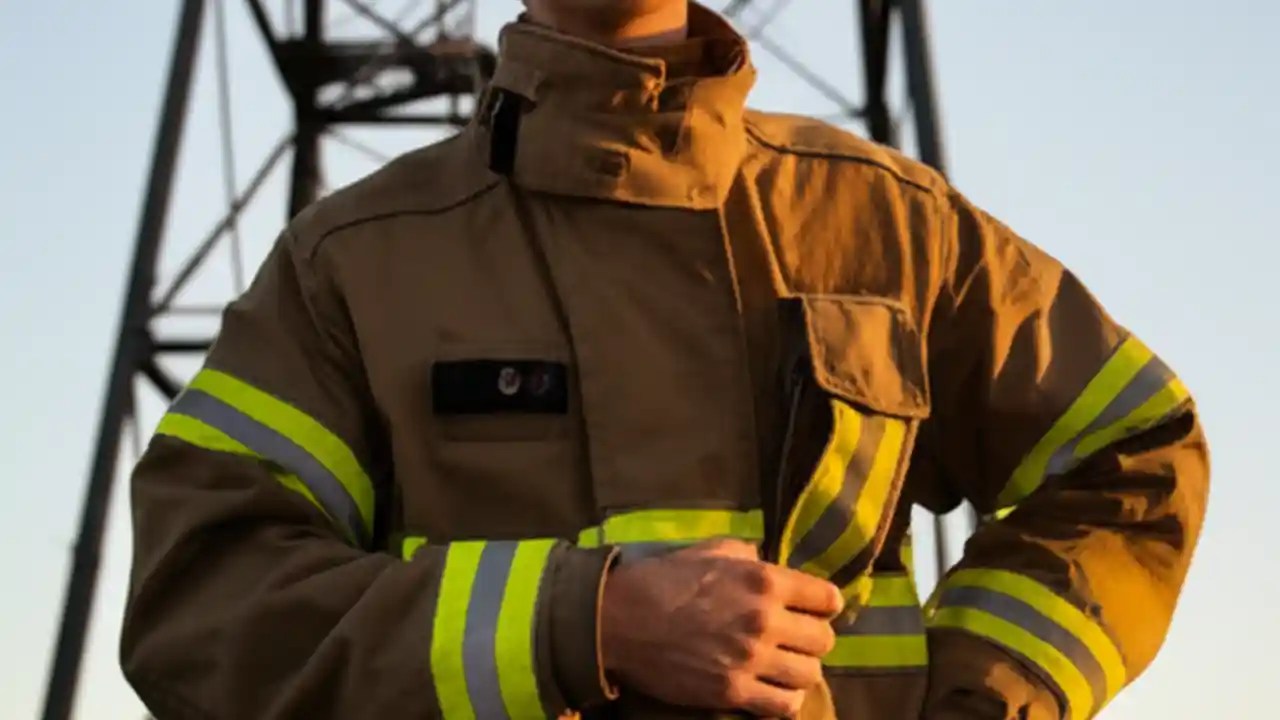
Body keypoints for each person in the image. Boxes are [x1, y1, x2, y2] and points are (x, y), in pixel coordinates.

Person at [120, 2, 1209, 719]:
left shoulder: (888, 225)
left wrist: (982, 699)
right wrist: (578, 622)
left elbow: (1133, 454)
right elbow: (202, 612)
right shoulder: (349, 264)